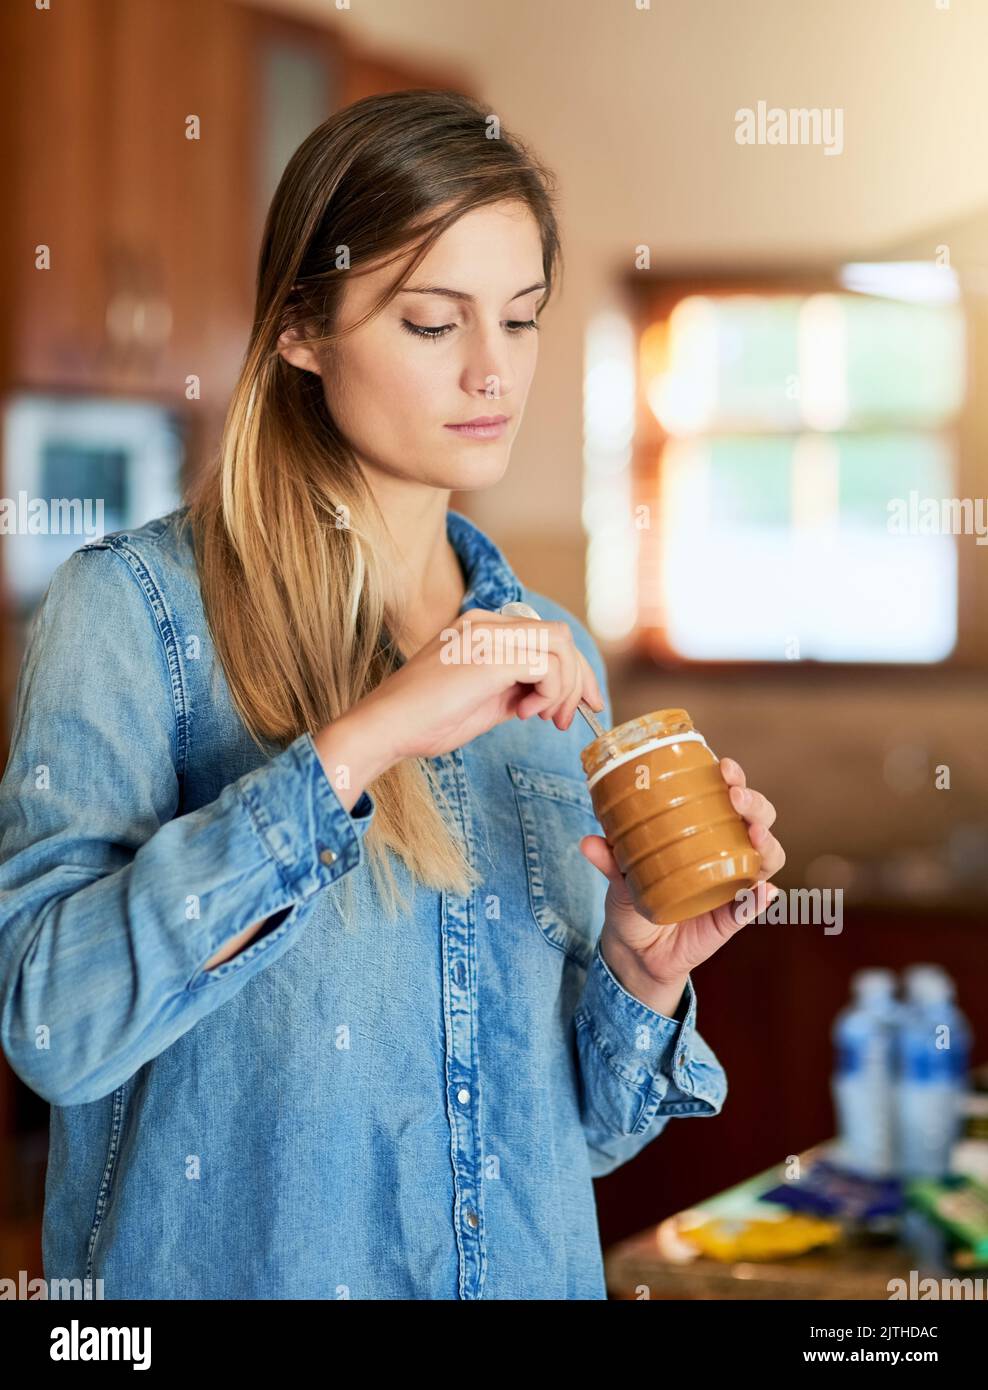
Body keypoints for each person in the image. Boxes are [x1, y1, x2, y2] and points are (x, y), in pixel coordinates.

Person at [0, 89, 784, 1300]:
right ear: (303, 328)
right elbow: (53, 1025)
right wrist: (359, 744)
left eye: (520, 321)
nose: (493, 370)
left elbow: (553, 1144)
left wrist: (641, 963)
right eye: (432, 321)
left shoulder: (548, 648)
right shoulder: (134, 614)